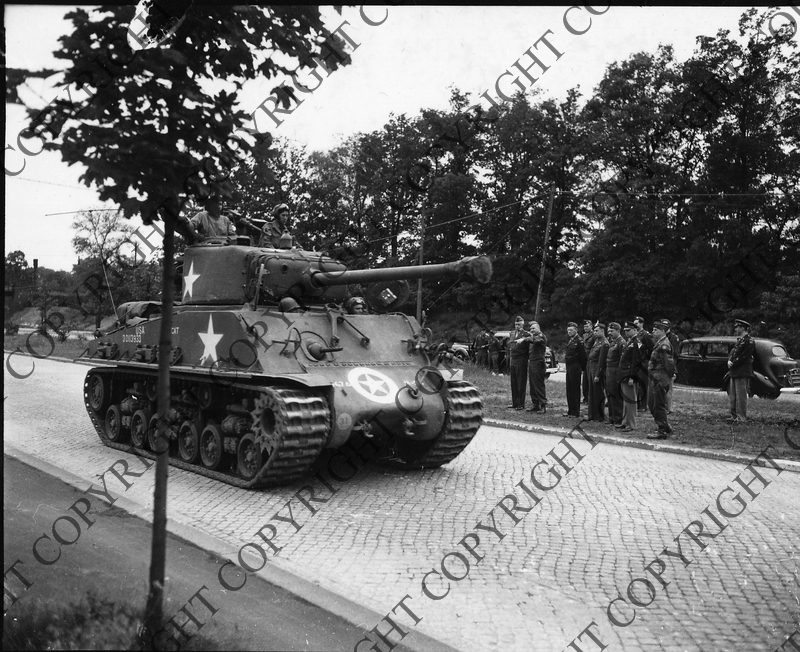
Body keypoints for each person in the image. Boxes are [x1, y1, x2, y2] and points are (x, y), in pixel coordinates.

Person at [646, 319, 675, 439]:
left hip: (660, 377)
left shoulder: (663, 345)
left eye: (656, 330)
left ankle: (662, 430)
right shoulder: (659, 343)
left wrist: (670, 375)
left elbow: (668, 363)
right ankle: (665, 426)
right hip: (655, 377)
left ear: (662, 331)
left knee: (658, 404)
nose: (653, 332)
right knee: (652, 403)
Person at [726, 318, 755, 423]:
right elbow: (732, 353)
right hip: (735, 371)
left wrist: (734, 363)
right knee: (733, 395)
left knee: (741, 396)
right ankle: (734, 415)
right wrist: (729, 360)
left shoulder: (749, 341)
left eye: (737, 327)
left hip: (742, 371)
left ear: (743, 328)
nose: (736, 329)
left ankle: (741, 417)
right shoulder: (740, 341)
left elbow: (745, 356)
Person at [616, 320, 641, 432]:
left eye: (629, 330)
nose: (626, 333)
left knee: (630, 401)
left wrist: (632, 377)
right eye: (625, 331)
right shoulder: (629, 341)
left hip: (629, 375)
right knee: (626, 400)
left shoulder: (636, 342)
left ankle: (632, 425)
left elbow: (636, 361)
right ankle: (625, 422)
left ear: (635, 330)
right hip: (624, 374)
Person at [523, 320, 548, 413]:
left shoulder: (541, 336)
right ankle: (535, 404)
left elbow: (536, 341)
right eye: (531, 329)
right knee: (532, 385)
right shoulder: (533, 337)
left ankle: (543, 405)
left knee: (538, 385)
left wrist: (528, 337)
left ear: (538, 328)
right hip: (532, 362)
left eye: (533, 328)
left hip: (538, 363)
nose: (532, 330)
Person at [506, 316, 530, 410]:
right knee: (514, 382)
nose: (517, 326)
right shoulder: (512, 333)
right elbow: (510, 345)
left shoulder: (526, 334)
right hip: (513, 359)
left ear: (523, 325)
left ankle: (521, 403)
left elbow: (528, 348)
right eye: (516, 324)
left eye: (519, 324)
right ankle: (514, 402)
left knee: (521, 382)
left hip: (521, 359)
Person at [563, 322, 586, 418]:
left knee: (575, 389)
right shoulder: (571, 340)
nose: (569, 332)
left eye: (571, 330)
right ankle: (570, 410)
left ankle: (575, 411)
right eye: (568, 330)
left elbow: (583, 356)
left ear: (576, 330)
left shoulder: (579, 341)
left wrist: (582, 368)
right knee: (569, 388)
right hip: (569, 366)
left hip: (575, 366)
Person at [587, 322, 609, 422]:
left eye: (597, 331)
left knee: (598, 393)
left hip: (597, 369)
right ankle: (591, 414)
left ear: (602, 331)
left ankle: (599, 415)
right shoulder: (596, 341)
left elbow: (601, 361)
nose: (594, 332)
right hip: (591, 367)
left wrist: (598, 374)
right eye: (594, 330)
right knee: (591, 393)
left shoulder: (604, 343)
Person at [605, 322, 624, 425]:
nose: (610, 333)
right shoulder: (612, 342)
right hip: (609, 370)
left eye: (612, 331)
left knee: (616, 395)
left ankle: (618, 418)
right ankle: (611, 417)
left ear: (618, 331)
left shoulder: (621, 343)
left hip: (615, 371)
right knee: (610, 393)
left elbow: (622, 360)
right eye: (609, 331)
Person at [633, 316, 653, 412]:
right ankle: (637, 404)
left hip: (643, 362)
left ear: (641, 324)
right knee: (636, 384)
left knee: (643, 384)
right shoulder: (635, 334)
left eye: (636, 323)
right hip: (636, 361)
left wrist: (647, 359)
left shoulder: (645, 335)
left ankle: (643, 405)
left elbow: (650, 348)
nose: (635, 325)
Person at [665, 322, 680, 413]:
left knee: (669, 388)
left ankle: (669, 408)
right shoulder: (661, 337)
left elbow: (675, 354)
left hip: (670, 364)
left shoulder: (673, 338)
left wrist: (671, 368)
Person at [581, 320, 595, 404]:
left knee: (590, 379)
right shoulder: (584, 335)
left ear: (591, 326)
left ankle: (590, 397)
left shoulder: (594, 335)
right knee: (585, 380)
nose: (585, 328)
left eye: (587, 326)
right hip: (585, 359)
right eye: (584, 327)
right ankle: (585, 397)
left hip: (591, 358)